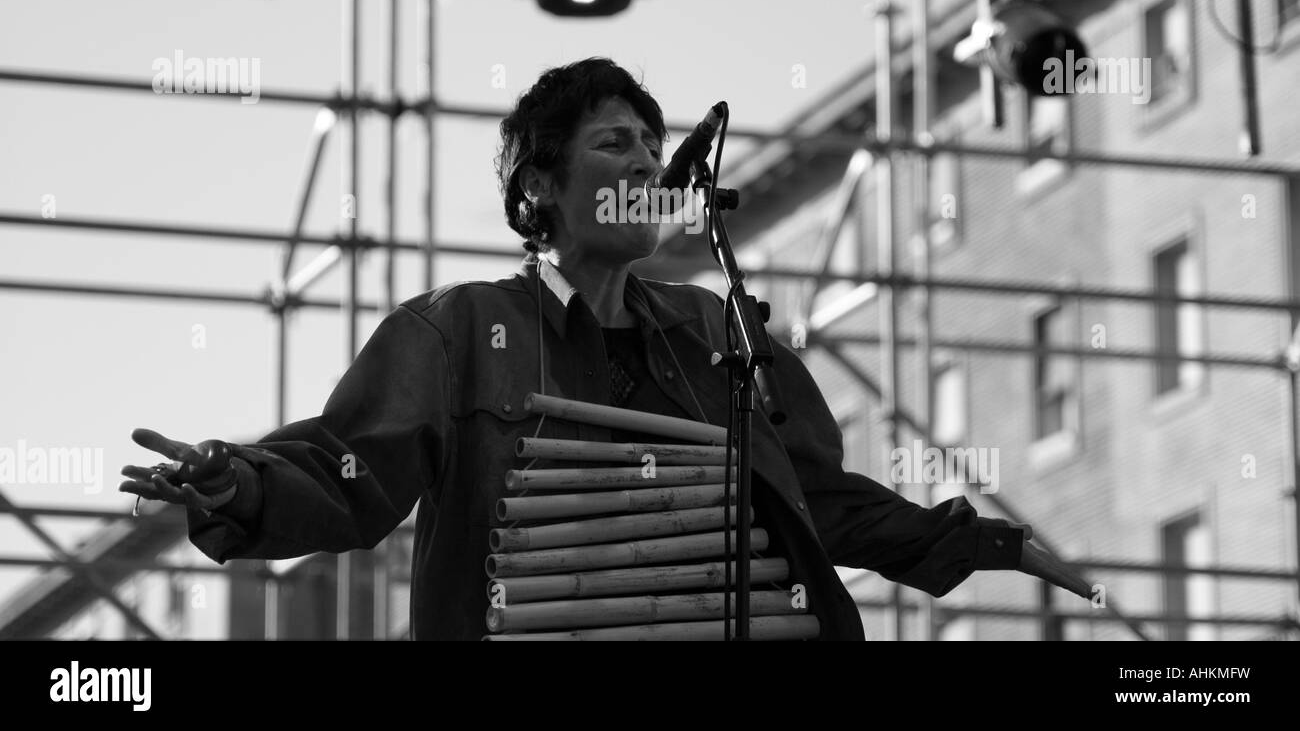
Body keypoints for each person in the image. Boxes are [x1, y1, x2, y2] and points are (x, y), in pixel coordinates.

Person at [121, 56, 1045, 641]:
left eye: (652, 144)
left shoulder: (718, 332)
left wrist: (976, 543)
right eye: (614, 144)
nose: (647, 162)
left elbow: (818, 503)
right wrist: (238, 483)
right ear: (541, 189)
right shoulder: (456, 335)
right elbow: (347, 470)